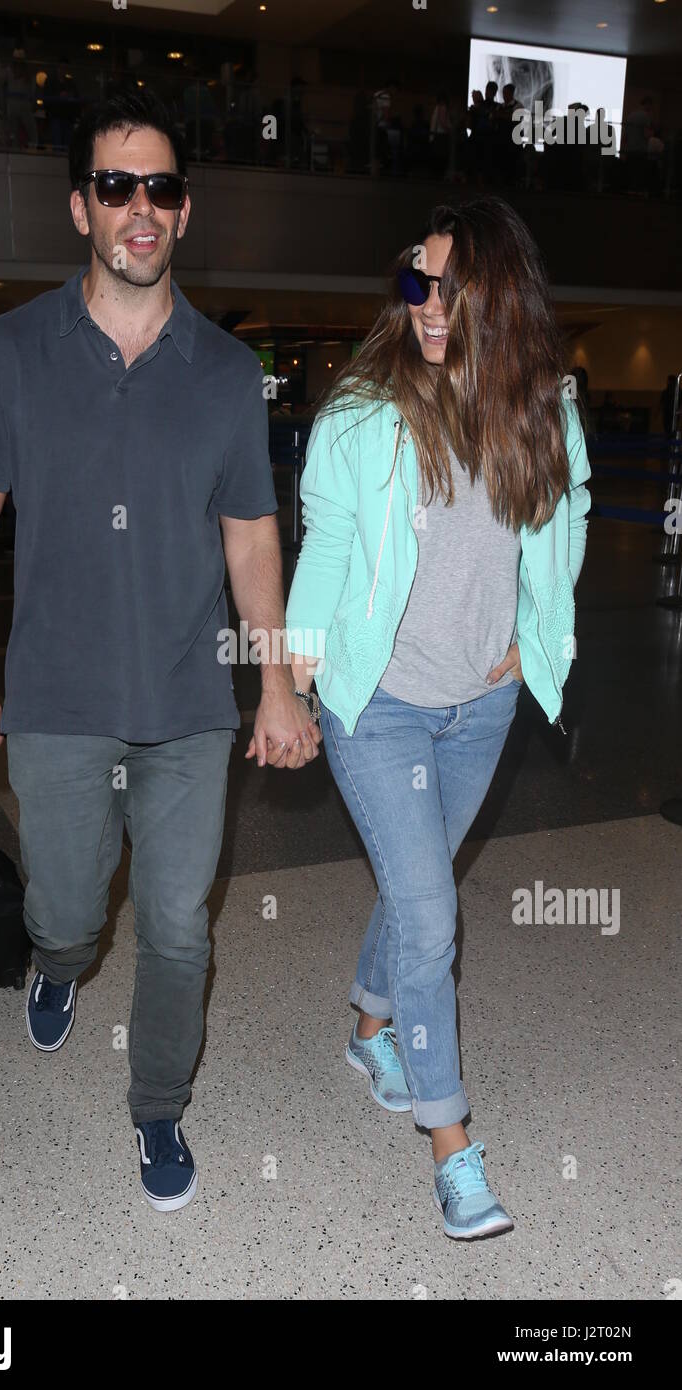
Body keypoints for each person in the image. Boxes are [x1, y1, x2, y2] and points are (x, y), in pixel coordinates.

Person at [0, 82, 319, 1215]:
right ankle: (53, 963)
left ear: (184, 212)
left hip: (188, 706)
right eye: (117, 186)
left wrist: (278, 681)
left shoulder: (226, 372)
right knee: (65, 909)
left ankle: (158, 1107)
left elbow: (250, 533)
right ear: (80, 207)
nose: (139, 207)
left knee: (177, 925)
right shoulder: (7, 352)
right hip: (55, 701)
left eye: (159, 187)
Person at [284, 196, 592, 1240]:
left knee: (420, 891)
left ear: (498, 295)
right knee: (432, 913)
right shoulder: (366, 411)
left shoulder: (540, 406)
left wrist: (535, 625)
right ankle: (453, 1147)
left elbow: (571, 505)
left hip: (484, 703)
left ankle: (368, 1025)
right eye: (415, 280)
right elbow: (324, 541)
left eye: (449, 287)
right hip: (377, 705)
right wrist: (298, 666)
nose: (425, 304)